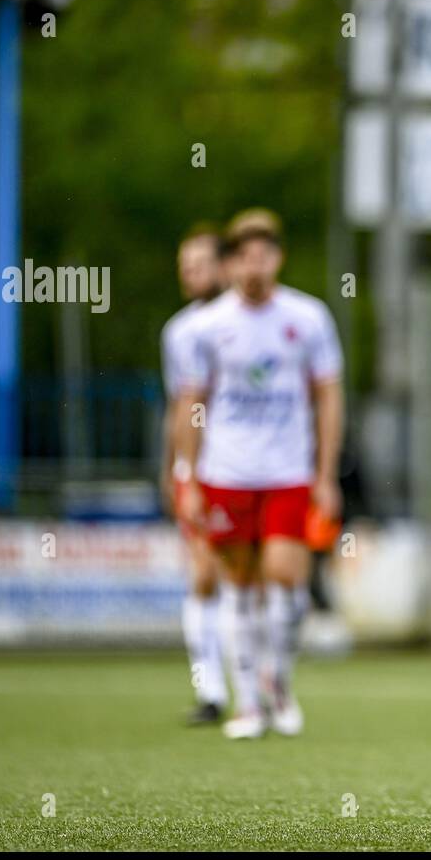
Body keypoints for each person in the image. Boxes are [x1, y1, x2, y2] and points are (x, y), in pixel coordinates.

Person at [175, 209, 344, 740]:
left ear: (278, 258)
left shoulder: (309, 318)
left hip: (288, 471)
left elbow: (328, 396)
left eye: (263, 255)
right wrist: (189, 474)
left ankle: (279, 682)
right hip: (226, 472)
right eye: (244, 257)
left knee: (286, 579)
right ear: (232, 263)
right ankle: (247, 703)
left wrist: (326, 472)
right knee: (239, 585)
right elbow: (190, 404)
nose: (255, 266)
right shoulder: (206, 329)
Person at [161, 226, 230, 725]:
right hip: (203, 470)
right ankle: (211, 691)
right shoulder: (179, 332)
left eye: (200, 263)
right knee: (204, 574)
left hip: (257, 469)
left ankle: (262, 683)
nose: (190, 273)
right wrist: (176, 467)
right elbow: (180, 406)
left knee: (263, 579)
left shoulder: (257, 322)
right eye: (185, 265)